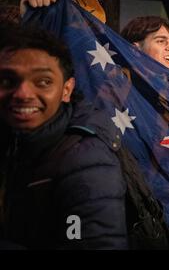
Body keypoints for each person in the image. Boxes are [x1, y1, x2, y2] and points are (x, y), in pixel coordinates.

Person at [0, 25, 128, 249]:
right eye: (7, 81)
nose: (22, 94)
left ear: (67, 89)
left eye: (43, 82)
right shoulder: (13, 139)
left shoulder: (86, 163)